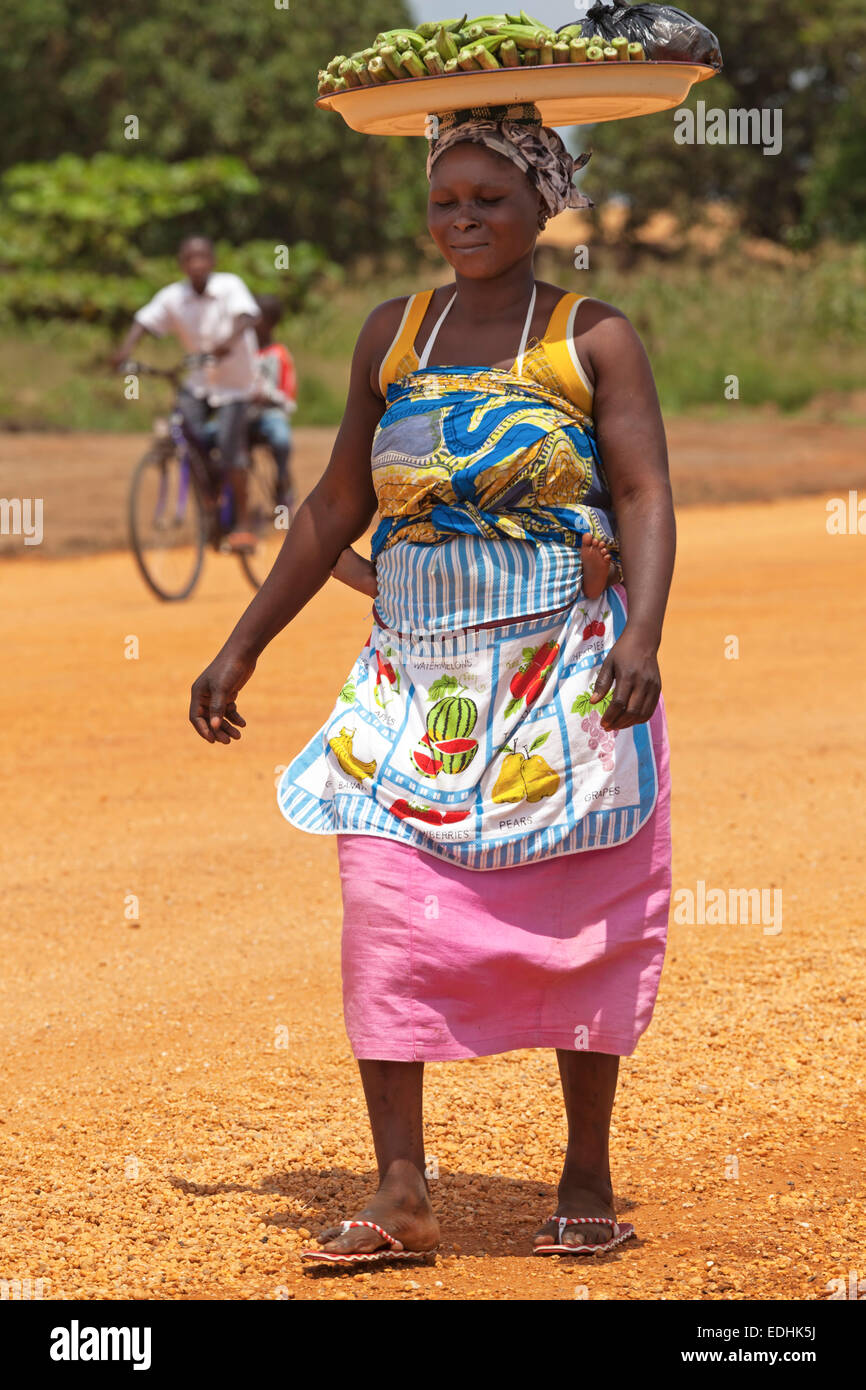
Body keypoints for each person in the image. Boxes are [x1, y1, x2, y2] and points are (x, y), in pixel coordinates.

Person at [189, 103, 676, 1265]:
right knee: (383, 912)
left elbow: (647, 496)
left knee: (577, 921)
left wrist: (642, 634)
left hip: (562, 674)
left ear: (542, 205)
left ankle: (585, 1171)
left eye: (488, 198)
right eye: (444, 200)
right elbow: (331, 509)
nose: (462, 219)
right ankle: (401, 1192)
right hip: (412, 680)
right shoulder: (390, 335)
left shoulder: (591, 336)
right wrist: (242, 641)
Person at [112, 236, 262, 552]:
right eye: (190, 259)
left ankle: (243, 524)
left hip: (235, 383)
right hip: (199, 380)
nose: (196, 264)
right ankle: (208, 496)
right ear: (182, 264)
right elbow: (143, 320)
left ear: (212, 261)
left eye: (202, 257)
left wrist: (229, 343)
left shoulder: (229, 286)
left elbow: (248, 317)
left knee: (229, 447)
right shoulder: (173, 297)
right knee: (185, 434)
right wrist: (124, 351)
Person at [249, 295, 298, 514]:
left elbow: (288, 397)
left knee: (280, 440)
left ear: (270, 322)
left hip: (271, 414)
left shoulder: (279, 354)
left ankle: (281, 481)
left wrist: (266, 395)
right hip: (242, 413)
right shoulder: (242, 352)